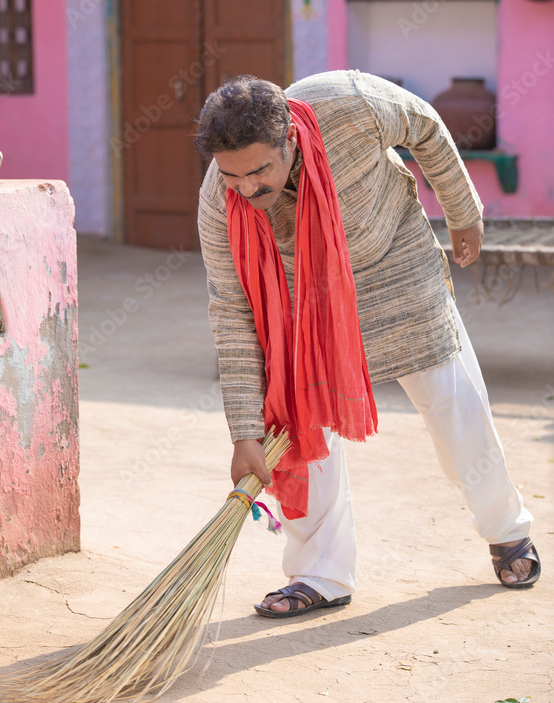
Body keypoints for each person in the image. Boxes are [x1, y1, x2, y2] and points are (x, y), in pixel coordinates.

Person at [196, 71, 540, 618]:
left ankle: (506, 528)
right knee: (303, 428)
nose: (246, 189)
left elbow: (425, 126)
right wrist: (244, 431)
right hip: (302, 301)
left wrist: (462, 210)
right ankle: (320, 573)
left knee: (453, 401)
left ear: (289, 137)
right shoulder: (221, 202)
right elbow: (232, 311)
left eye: (259, 170)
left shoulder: (350, 104)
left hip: (393, 258)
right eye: (232, 174)